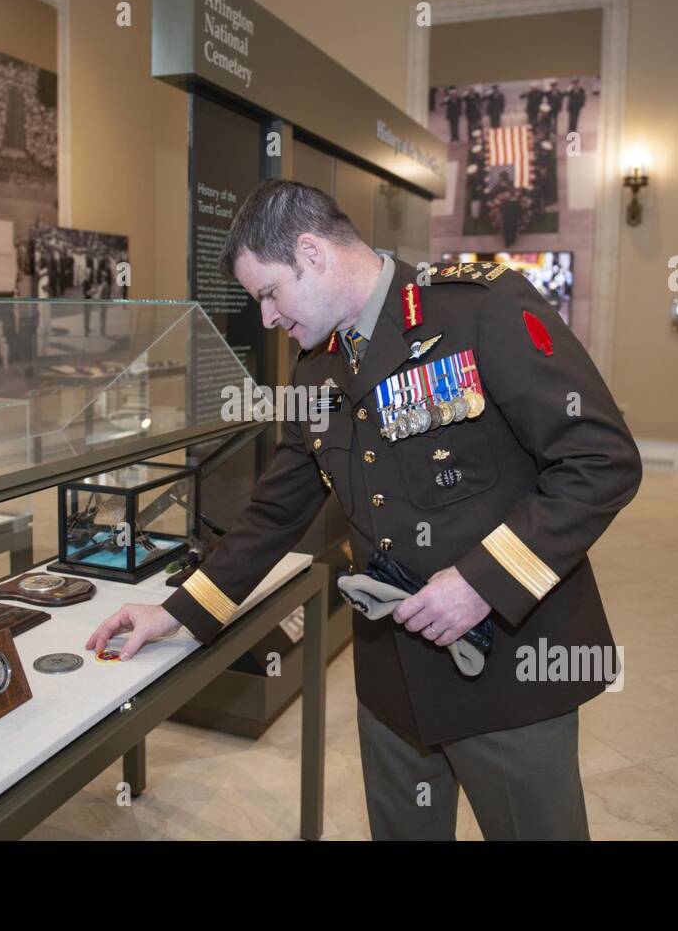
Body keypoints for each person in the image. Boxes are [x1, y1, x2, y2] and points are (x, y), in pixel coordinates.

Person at [86, 180, 642, 840]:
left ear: (313, 254)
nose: (266, 318)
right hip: (391, 684)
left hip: (507, 674)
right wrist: (176, 610)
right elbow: (274, 513)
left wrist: (480, 583)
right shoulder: (315, 371)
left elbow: (601, 460)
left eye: (268, 293)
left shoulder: (477, 311)